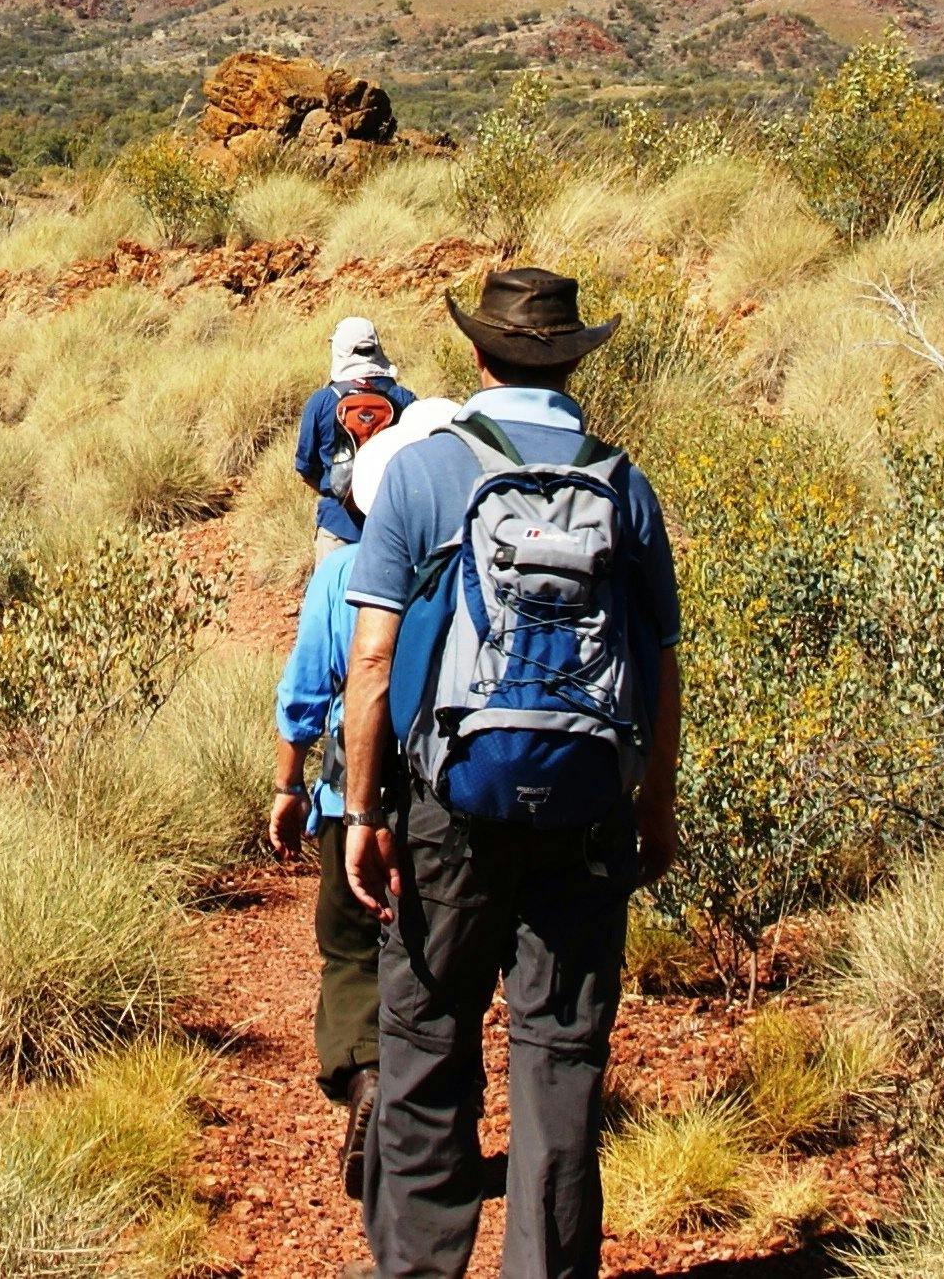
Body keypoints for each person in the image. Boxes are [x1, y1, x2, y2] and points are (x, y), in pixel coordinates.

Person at [340, 268, 682, 1279]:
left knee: (425, 1044)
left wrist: (362, 809)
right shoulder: (622, 484)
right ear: (572, 362)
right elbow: (661, 664)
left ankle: (417, 1267)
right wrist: (654, 808)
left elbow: (372, 661)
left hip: (448, 809)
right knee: (560, 1061)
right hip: (586, 811)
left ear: (477, 354)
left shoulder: (423, 473)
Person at [271, 394, 461, 1240]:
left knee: (350, 949)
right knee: (438, 961)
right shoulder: (472, 565)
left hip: (351, 797)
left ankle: (364, 1074)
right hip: (450, 805)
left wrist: (288, 787)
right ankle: (435, 1123)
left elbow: (307, 692)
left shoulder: (342, 572)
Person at [291, 317, 414, 569]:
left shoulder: (322, 401)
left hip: (337, 526)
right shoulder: (403, 399)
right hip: (391, 529)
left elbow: (305, 468)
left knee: (331, 592)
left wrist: (343, 493)